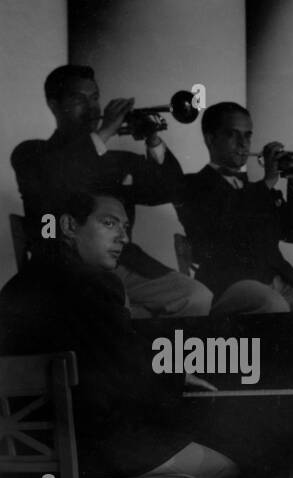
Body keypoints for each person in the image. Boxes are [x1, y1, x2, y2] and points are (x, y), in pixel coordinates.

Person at [0, 191, 238, 478]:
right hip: (89, 456)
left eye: (126, 228)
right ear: (70, 226)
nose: (123, 237)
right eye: (109, 223)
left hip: (23, 462)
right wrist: (177, 381)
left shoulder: (15, 288)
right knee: (219, 473)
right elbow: (126, 372)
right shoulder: (96, 284)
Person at [11, 64, 211, 317]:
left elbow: (170, 190)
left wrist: (154, 140)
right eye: (79, 99)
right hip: (64, 266)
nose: (92, 107)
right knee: (121, 311)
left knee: (196, 297)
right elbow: (57, 180)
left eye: (94, 98)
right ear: (53, 105)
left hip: (122, 263)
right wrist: (104, 133)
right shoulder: (31, 153)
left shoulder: (117, 160)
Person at [176, 101, 293, 314]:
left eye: (248, 135)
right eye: (233, 135)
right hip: (230, 286)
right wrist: (268, 181)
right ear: (210, 139)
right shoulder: (192, 185)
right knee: (274, 306)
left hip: (280, 281)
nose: (243, 144)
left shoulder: (256, 190)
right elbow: (228, 225)